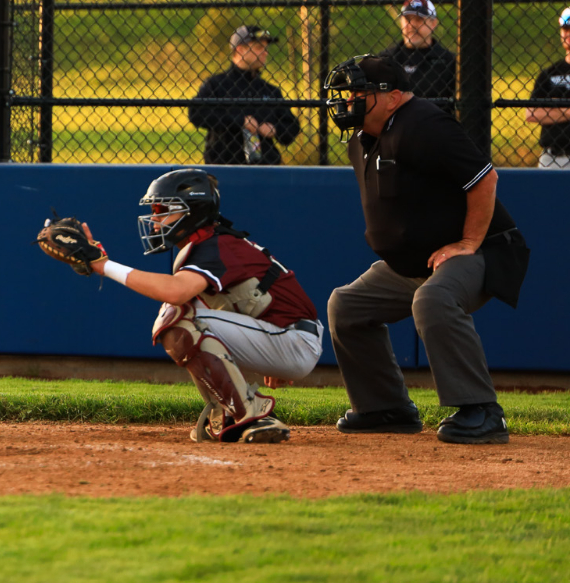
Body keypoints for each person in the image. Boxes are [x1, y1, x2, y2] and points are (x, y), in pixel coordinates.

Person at [322, 55, 530, 444]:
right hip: (416, 262)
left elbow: (484, 179)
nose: (348, 101)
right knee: (346, 306)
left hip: (484, 251)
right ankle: (386, 408)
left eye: (358, 93)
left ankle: (483, 411)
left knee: (433, 299)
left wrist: (468, 242)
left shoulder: (424, 124)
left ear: (393, 97)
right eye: (347, 94)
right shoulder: (362, 139)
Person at [35, 169, 318, 443]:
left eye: (162, 210)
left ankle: (251, 414)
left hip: (294, 339)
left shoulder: (216, 245)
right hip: (281, 336)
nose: (154, 220)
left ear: (192, 211)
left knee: (179, 318)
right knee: (181, 316)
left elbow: (175, 292)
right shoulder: (206, 245)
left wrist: (103, 265)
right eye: (154, 211)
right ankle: (228, 414)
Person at [188, 25, 300, 165]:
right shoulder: (217, 85)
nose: (265, 53)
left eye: (266, 48)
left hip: (265, 166)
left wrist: (275, 129)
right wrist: (240, 121)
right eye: (259, 47)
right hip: (225, 165)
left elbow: (292, 126)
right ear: (240, 49)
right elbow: (196, 113)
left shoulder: (269, 90)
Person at [378, 0, 456, 111]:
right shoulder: (385, 59)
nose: (412, 25)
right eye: (407, 19)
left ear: (433, 23)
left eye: (419, 20)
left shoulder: (449, 62)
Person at [523, 8, 570, 168]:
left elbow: (542, 112)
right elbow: (531, 113)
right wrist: (568, 110)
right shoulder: (550, 73)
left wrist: (555, 106)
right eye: (565, 29)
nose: (567, 33)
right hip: (553, 157)